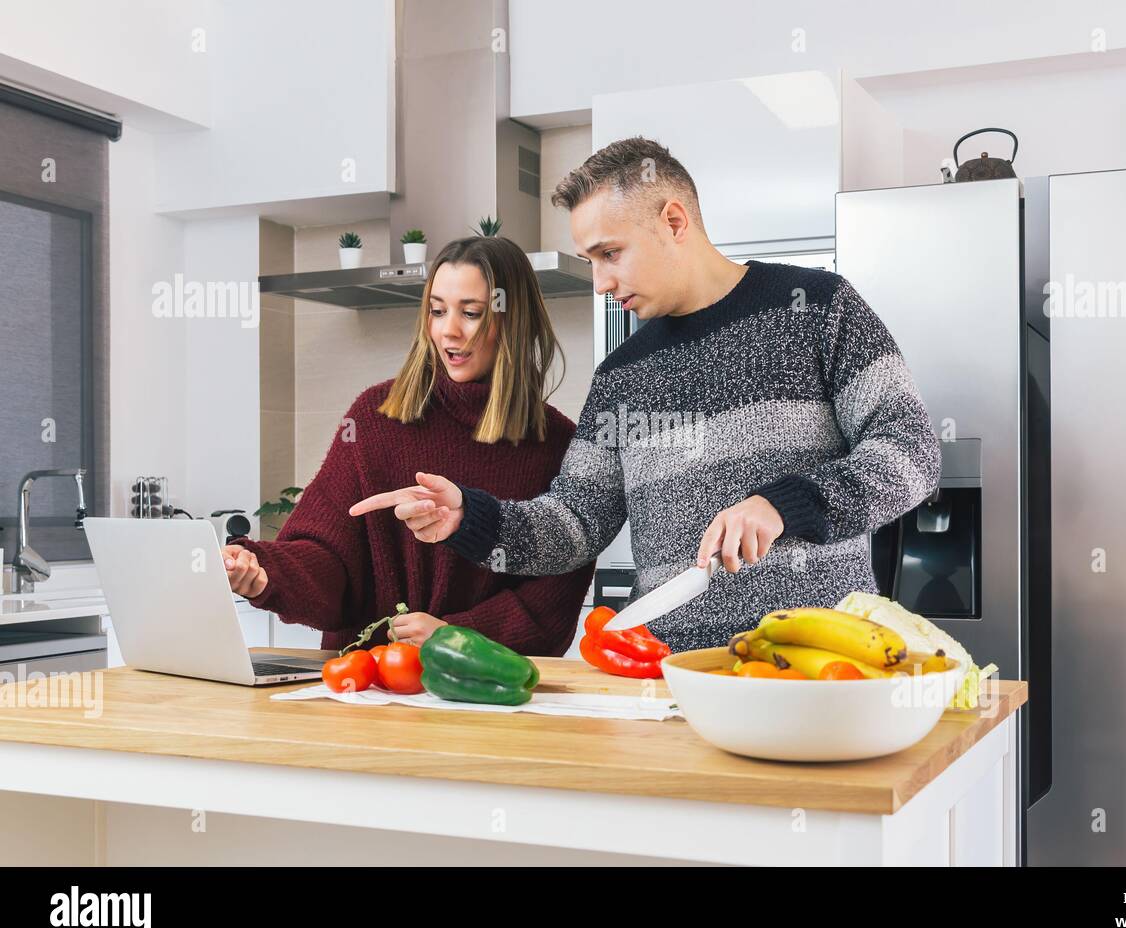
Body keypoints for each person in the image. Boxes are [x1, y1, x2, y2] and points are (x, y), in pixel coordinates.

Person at [350, 137, 941, 651]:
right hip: (665, 681)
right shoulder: (622, 376)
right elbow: (572, 526)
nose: (601, 281)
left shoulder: (819, 308)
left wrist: (786, 505)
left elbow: (912, 453)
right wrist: (468, 517)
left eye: (610, 254)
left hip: (820, 663)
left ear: (674, 222)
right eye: (590, 260)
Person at [222, 236, 594, 654]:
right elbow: (327, 560)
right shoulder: (375, 417)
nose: (448, 330)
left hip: (483, 694)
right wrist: (266, 571)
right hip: (367, 686)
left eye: (470, 312)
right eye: (437, 311)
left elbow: (550, 612)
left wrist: (455, 636)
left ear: (513, 318)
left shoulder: (558, 445)